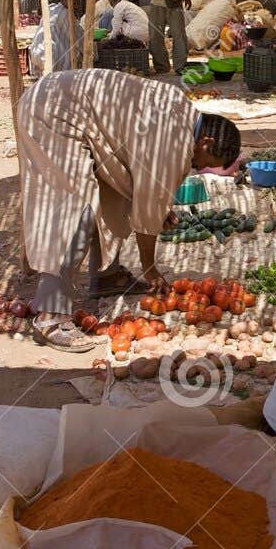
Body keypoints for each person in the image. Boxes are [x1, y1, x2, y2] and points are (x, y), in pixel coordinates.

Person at [15, 69, 242, 349]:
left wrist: (159, 207)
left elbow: (138, 182)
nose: (196, 167)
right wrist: (150, 268)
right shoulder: (174, 139)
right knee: (74, 209)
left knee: (109, 195)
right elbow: (147, 214)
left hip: (62, 105)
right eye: (203, 161)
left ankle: (107, 276)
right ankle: (50, 315)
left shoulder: (181, 114)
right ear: (206, 141)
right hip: (52, 112)